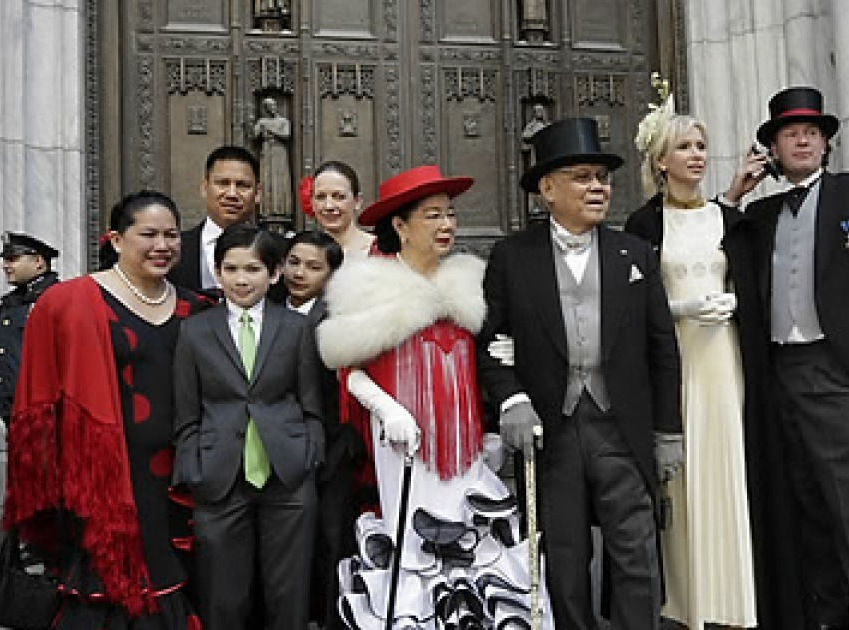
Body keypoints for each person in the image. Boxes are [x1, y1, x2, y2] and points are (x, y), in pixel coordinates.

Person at [720, 86, 849, 630]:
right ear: (773, 147)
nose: (804, 140)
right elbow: (715, 259)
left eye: (813, 132)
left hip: (836, 375)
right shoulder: (762, 212)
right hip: (777, 376)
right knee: (807, 514)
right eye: (792, 134)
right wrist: (733, 195)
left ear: (826, 143)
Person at [319, 165, 552, 628]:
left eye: (449, 215)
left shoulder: (470, 281)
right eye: (432, 216)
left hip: (464, 444)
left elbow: (489, 352)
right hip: (405, 446)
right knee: (414, 545)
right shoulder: (368, 284)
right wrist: (388, 411)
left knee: (472, 541)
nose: (446, 225)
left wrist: (509, 355)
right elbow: (349, 370)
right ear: (401, 226)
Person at [478, 117, 683, 630]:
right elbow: (491, 343)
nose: (598, 187)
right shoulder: (511, 256)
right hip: (554, 429)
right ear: (547, 189)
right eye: (582, 177)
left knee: (636, 548)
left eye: (603, 177)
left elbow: (662, 347)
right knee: (564, 553)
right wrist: (511, 400)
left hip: (621, 426)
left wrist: (668, 431)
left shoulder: (633, 254)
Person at [4, 190, 210, 628]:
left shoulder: (199, 308)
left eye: (172, 235)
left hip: (176, 476)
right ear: (116, 240)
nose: (163, 245)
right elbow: (36, 403)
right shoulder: (66, 303)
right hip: (100, 479)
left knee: (172, 578)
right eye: (148, 234)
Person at [625, 97, 779, 628]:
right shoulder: (643, 225)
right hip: (676, 361)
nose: (696, 155)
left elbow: (751, 286)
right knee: (681, 477)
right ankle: (688, 604)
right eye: (684, 147)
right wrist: (680, 308)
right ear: (660, 160)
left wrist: (736, 302)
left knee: (728, 463)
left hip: (725, 358)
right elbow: (634, 306)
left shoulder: (727, 218)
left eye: (701, 147)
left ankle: (735, 601)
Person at [173, 224, 325, 630]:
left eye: (253, 269)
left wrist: (308, 456)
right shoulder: (194, 332)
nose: (242, 279)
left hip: (288, 476)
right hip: (219, 477)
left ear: (274, 274)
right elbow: (186, 414)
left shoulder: (296, 329)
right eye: (232, 268)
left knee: (288, 594)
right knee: (223, 597)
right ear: (217, 271)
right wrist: (195, 469)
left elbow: (313, 405)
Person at [281, 230, 359, 628]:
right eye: (294, 262)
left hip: (330, 445)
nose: (299, 273)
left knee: (331, 539)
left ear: (330, 276)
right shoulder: (267, 307)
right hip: (278, 446)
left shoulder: (340, 316)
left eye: (313, 266)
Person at [0, 231, 60, 425]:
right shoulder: (11, 302)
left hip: (43, 412)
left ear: (38, 262)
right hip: (10, 407)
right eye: (5, 260)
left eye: (13, 259)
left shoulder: (57, 299)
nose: (6, 266)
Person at [168, 145, 261, 295]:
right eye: (223, 183)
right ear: (204, 188)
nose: (232, 194)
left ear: (257, 194)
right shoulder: (173, 249)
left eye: (242, 185)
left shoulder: (281, 250)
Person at [298, 160, 375, 257]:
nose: (328, 206)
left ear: (357, 201)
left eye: (339, 196)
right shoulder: (302, 252)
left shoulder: (380, 251)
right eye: (320, 197)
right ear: (312, 202)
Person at [252, 98, 293, 222]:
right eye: (268, 107)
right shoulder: (262, 121)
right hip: (267, 151)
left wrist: (270, 130)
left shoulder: (283, 121)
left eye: (273, 105)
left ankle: (281, 210)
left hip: (279, 151)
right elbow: (254, 135)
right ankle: (266, 211)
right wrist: (259, 127)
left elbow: (286, 134)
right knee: (267, 178)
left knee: (279, 180)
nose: (271, 108)